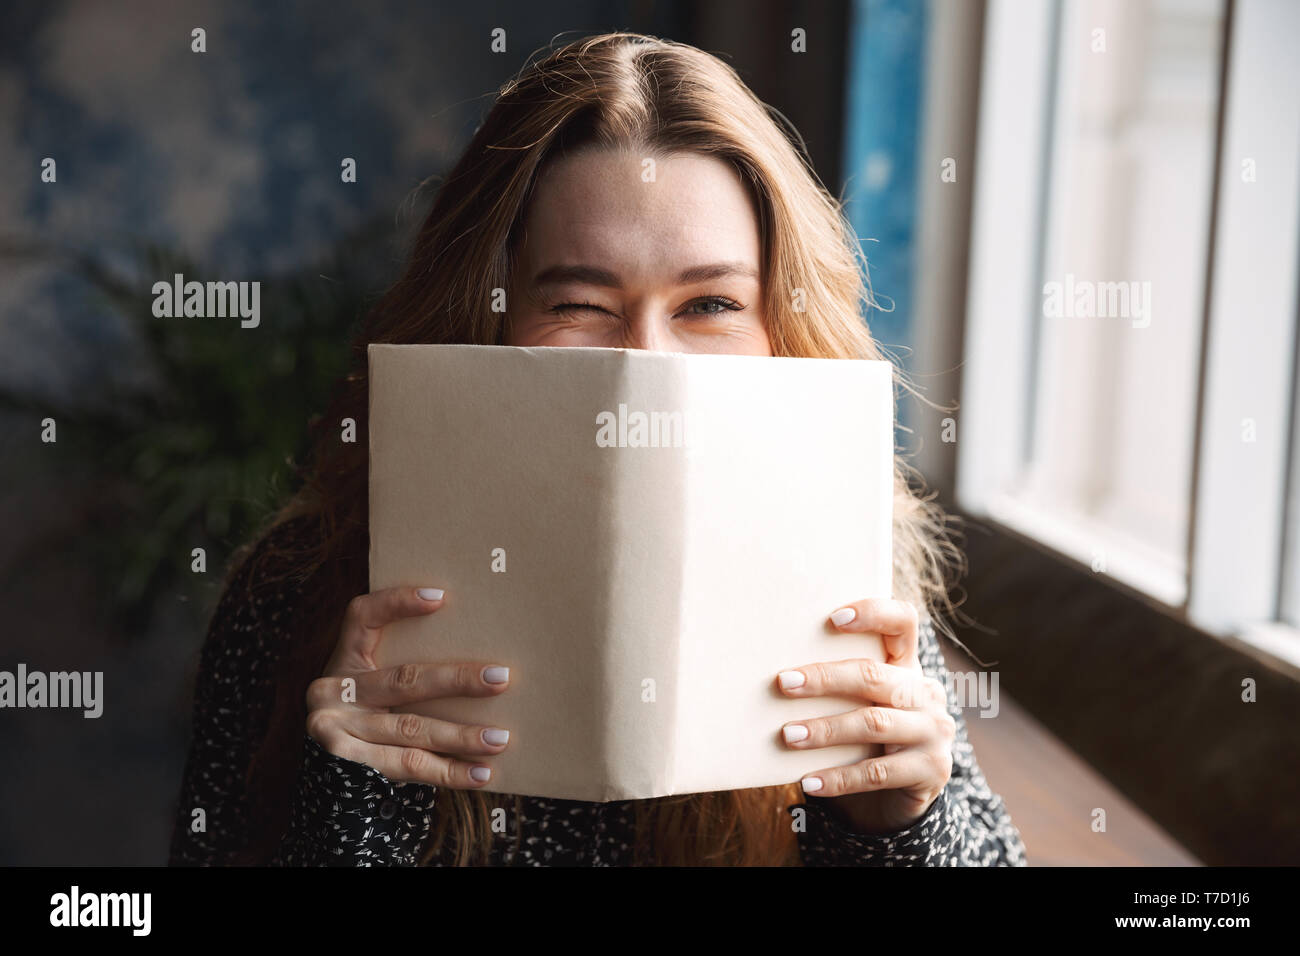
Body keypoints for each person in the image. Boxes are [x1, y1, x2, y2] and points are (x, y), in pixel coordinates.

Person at [168, 31, 1026, 866]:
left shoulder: (849, 585)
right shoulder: (295, 591)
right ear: (489, 317)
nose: (645, 361)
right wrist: (347, 817)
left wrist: (900, 830)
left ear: (783, 329)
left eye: (712, 304)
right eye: (580, 303)